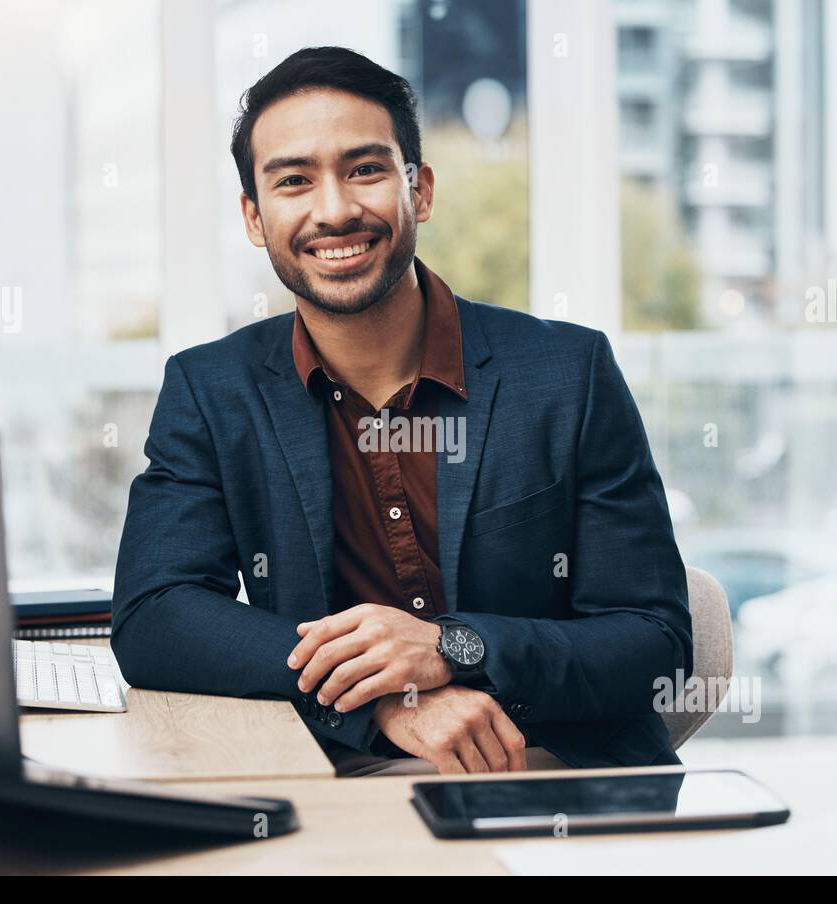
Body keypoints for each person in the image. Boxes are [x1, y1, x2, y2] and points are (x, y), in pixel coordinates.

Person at [112, 46, 692, 776]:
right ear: (255, 219)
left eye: (365, 170)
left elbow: (654, 641)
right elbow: (154, 616)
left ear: (418, 190)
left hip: (552, 772)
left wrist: (451, 648)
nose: (335, 210)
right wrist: (380, 698)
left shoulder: (567, 375)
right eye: (294, 181)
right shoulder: (210, 389)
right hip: (335, 771)